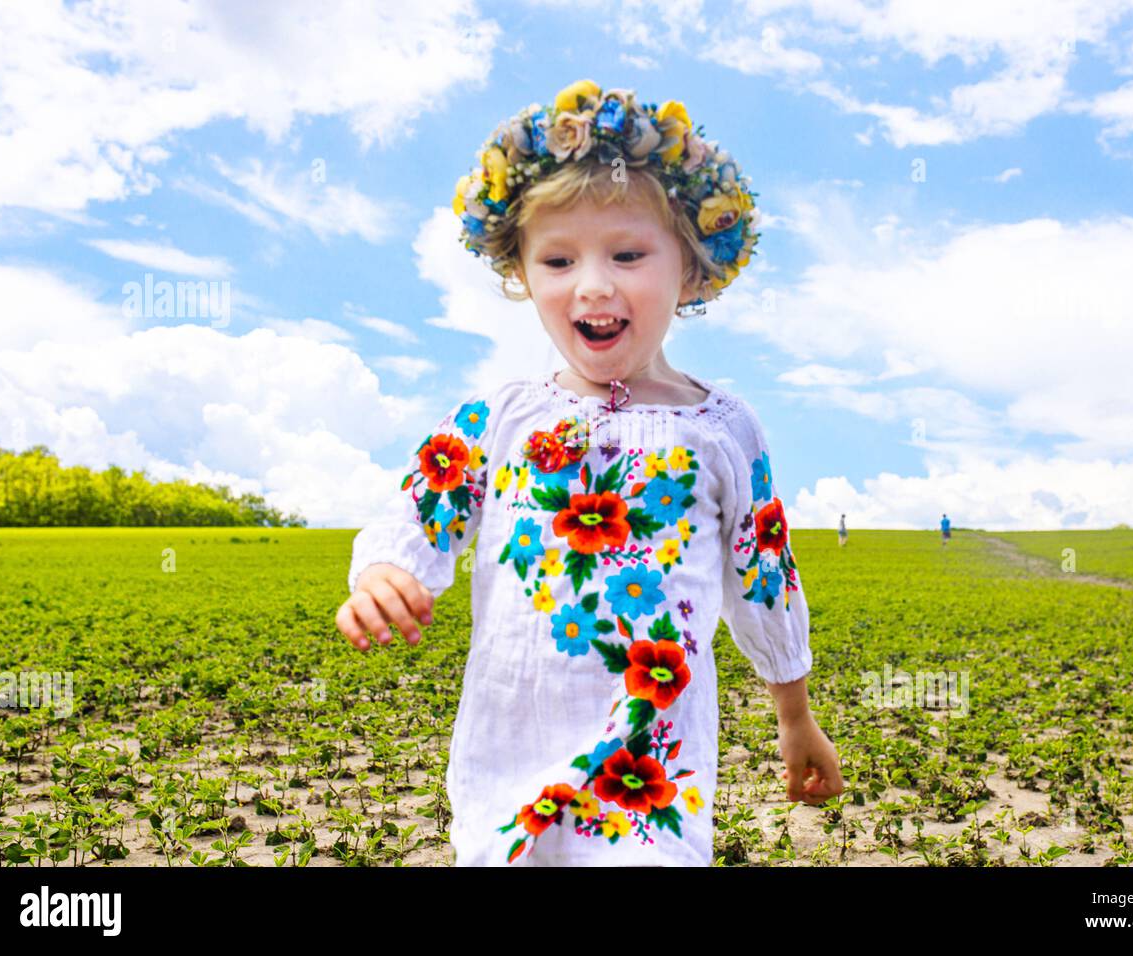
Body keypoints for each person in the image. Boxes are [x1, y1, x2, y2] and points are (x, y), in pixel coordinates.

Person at [336, 79, 842, 867]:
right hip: (509, 765)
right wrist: (384, 573)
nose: (594, 284)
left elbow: (765, 577)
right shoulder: (499, 420)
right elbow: (419, 513)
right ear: (524, 274)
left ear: (694, 268)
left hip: (652, 783)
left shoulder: (722, 430)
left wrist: (794, 714)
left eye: (628, 254)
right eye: (559, 259)